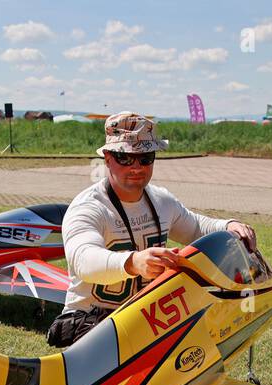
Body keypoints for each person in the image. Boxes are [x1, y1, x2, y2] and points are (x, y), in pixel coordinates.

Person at [51, 111, 258, 347]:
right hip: (91, 318)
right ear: (107, 158)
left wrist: (229, 225)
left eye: (145, 157)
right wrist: (132, 262)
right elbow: (83, 259)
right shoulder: (88, 207)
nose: (136, 166)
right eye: (124, 157)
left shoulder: (161, 200)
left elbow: (196, 227)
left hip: (146, 315)